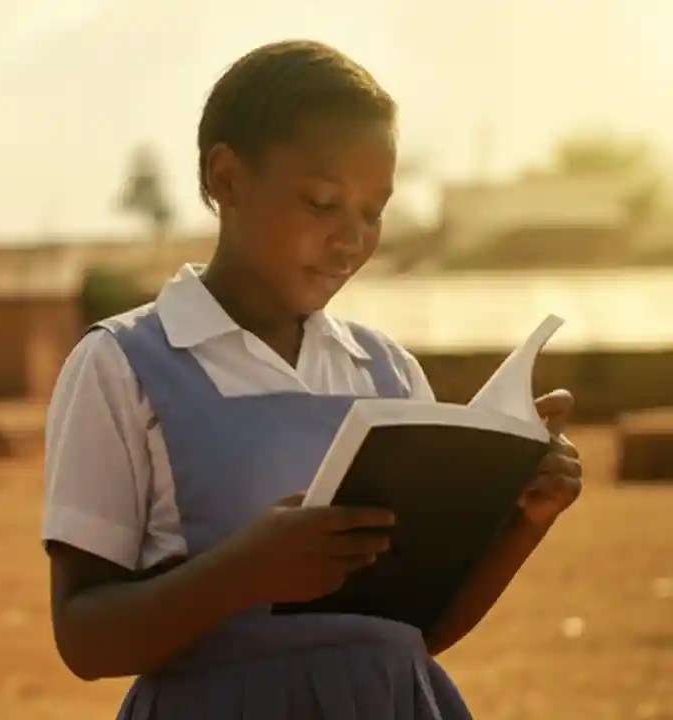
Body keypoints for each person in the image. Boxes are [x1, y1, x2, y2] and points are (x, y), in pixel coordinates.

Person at [42, 39, 584, 719]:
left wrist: (523, 522)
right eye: (322, 203)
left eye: (373, 211)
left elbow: (412, 634)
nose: (352, 239)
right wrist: (243, 572)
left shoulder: (387, 372)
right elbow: (84, 638)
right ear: (227, 179)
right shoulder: (124, 365)